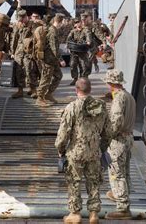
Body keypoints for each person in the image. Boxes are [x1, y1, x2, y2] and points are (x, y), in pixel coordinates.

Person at [55, 78, 111, 224]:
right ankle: (93, 214)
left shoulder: (71, 108)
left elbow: (63, 134)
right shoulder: (102, 106)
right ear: (90, 89)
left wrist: (60, 150)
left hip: (75, 152)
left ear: (76, 90)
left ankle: (75, 214)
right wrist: (102, 148)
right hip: (94, 152)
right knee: (94, 183)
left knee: (74, 182)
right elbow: (108, 132)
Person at [103, 69, 136, 220]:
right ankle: (120, 194)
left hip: (118, 140)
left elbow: (116, 121)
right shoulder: (129, 96)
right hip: (129, 137)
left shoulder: (118, 98)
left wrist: (106, 136)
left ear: (110, 83)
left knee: (116, 173)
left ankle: (123, 207)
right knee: (125, 169)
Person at [36, 15, 65, 107]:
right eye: (63, 22)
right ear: (60, 21)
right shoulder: (52, 31)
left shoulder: (54, 30)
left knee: (58, 76)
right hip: (49, 59)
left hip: (53, 59)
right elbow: (54, 48)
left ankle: (48, 94)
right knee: (46, 78)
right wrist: (61, 60)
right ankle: (40, 98)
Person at [9, 10, 35, 98]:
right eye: (20, 19)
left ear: (26, 17)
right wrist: (12, 51)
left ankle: (33, 89)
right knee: (18, 71)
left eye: (22, 19)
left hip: (28, 51)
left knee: (29, 70)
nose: (21, 21)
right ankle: (20, 90)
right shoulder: (17, 25)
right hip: (19, 51)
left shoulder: (32, 25)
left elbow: (37, 37)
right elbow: (14, 39)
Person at [67, 18, 92, 85]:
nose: (77, 24)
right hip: (74, 51)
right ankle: (75, 79)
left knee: (84, 66)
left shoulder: (85, 30)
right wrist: (68, 47)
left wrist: (88, 41)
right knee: (73, 65)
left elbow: (88, 37)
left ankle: (83, 79)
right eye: (76, 22)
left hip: (83, 51)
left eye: (78, 22)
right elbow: (68, 39)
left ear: (81, 23)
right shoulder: (73, 31)